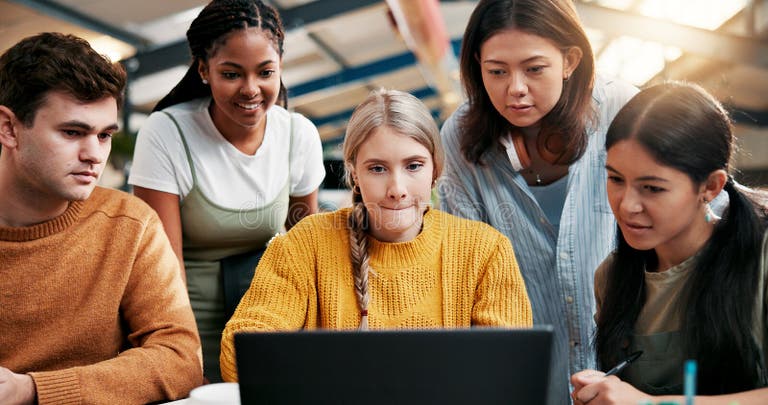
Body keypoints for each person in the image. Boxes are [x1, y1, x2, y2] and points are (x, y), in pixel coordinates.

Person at [219, 88, 533, 381]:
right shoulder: (306, 245)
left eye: (413, 166)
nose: (397, 190)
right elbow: (241, 352)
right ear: (354, 172)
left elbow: (509, 372)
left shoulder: (486, 251)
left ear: (435, 169)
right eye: (377, 169)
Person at [437, 0, 638, 402]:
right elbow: (464, 276)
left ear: (569, 60)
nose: (515, 89)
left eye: (534, 69)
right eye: (496, 71)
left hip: (628, 376)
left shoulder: (623, 110)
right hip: (524, 380)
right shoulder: (459, 141)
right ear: (477, 64)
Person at [128, 0, 325, 382]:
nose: (251, 90)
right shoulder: (167, 133)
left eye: (265, 72)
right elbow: (164, 268)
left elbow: (308, 250)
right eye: (232, 74)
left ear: (280, 65)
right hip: (182, 325)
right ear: (204, 70)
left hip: (268, 322)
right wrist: (184, 358)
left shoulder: (297, 135)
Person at [0, 32, 202, 404]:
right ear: (8, 128)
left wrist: (34, 390)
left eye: (105, 135)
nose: (94, 154)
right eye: (73, 132)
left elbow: (180, 359)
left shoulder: (131, 224)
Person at [570, 82, 768, 404]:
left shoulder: (761, 256)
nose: (626, 205)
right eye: (616, 179)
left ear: (711, 186)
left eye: (652, 188)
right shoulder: (612, 278)